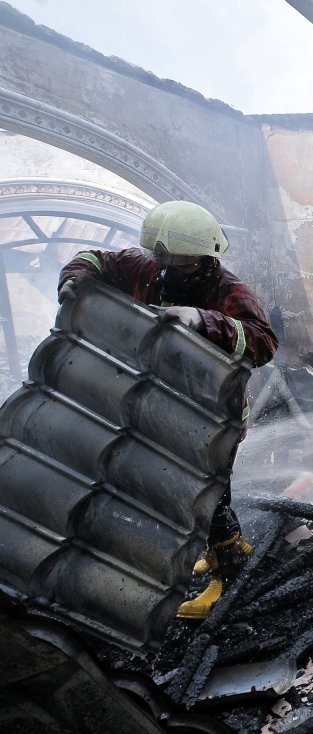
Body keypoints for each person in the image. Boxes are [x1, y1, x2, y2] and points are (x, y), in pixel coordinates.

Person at [58, 200, 278, 619]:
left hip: (215, 417)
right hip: (161, 404)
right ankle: (220, 550)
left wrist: (202, 320)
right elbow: (95, 259)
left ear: (204, 256)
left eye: (180, 263)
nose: (168, 269)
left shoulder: (228, 292)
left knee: (210, 496)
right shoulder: (144, 268)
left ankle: (227, 572)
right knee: (183, 492)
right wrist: (74, 279)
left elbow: (262, 342)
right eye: (162, 259)